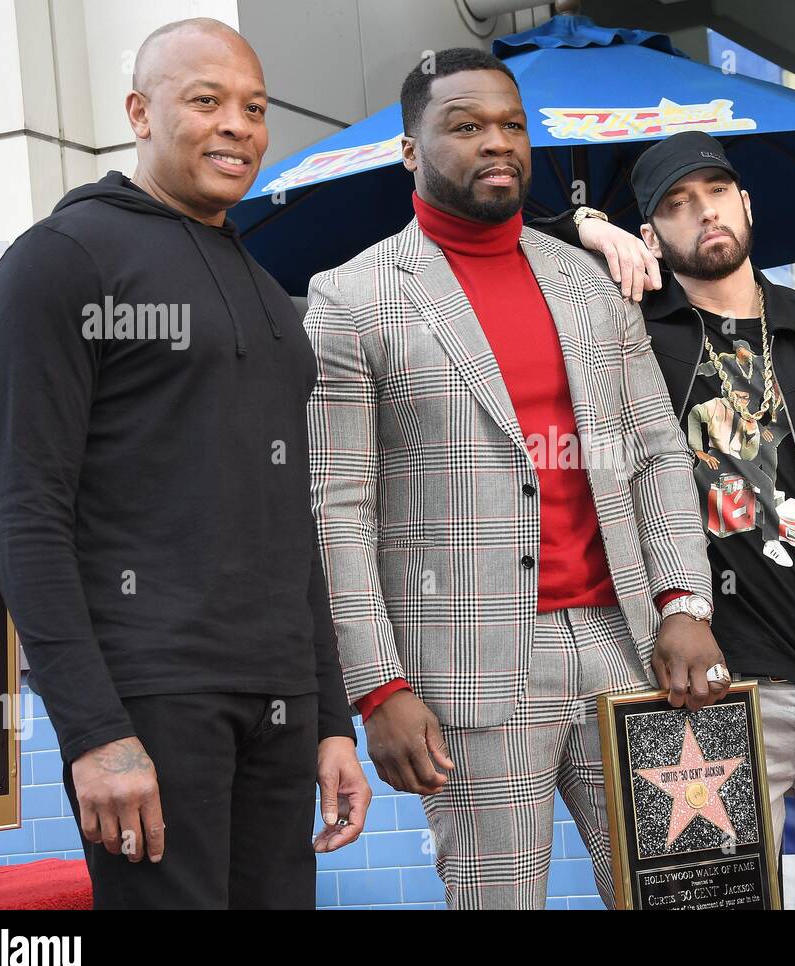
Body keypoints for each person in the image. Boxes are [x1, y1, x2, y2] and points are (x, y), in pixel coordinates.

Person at [304, 49, 723, 910]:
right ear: (411, 150)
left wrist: (685, 602)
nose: (497, 143)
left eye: (511, 124)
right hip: (466, 673)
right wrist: (378, 685)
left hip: (630, 642)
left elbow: (657, 453)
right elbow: (336, 511)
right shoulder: (351, 299)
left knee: (695, 891)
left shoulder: (591, 285)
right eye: (465, 126)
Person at [0, 18, 367, 909]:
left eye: (255, 109)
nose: (238, 125)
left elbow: (289, 519)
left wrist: (328, 722)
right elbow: (20, 514)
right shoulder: (62, 261)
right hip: (150, 700)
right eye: (207, 101)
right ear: (138, 112)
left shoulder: (267, 293)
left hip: (275, 704)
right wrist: (93, 731)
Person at [534, 131, 795, 908]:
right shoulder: (628, 336)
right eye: (675, 206)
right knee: (708, 900)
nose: (703, 213)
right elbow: (498, 236)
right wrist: (583, 225)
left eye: (716, 192)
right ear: (649, 237)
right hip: (705, 688)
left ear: (745, 203)